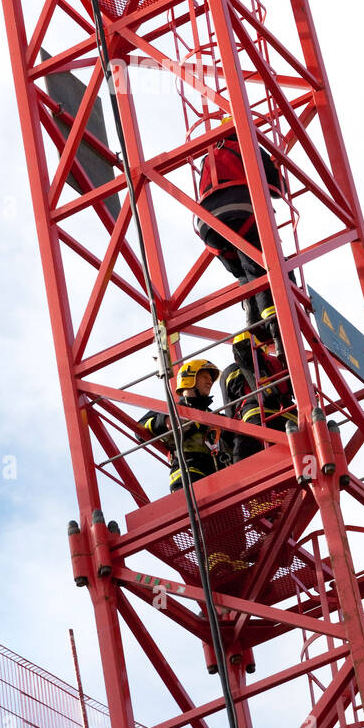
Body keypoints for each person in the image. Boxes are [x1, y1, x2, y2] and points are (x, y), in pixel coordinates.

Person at [196, 117, 283, 341]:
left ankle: (252, 319)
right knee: (262, 267)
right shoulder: (246, 144)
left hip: (207, 226)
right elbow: (278, 187)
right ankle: (276, 328)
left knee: (244, 271)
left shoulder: (207, 157)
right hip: (240, 210)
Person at [139, 358, 225, 492]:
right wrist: (165, 421)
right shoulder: (172, 410)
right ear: (189, 379)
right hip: (187, 472)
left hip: (218, 476)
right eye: (204, 377)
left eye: (210, 379)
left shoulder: (215, 416)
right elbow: (139, 431)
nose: (209, 382)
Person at [220, 331, 294, 464]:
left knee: (243, 470)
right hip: (290, 418)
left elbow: (230, 411)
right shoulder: (278, 362)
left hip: (254, 421)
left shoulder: (230, 371)